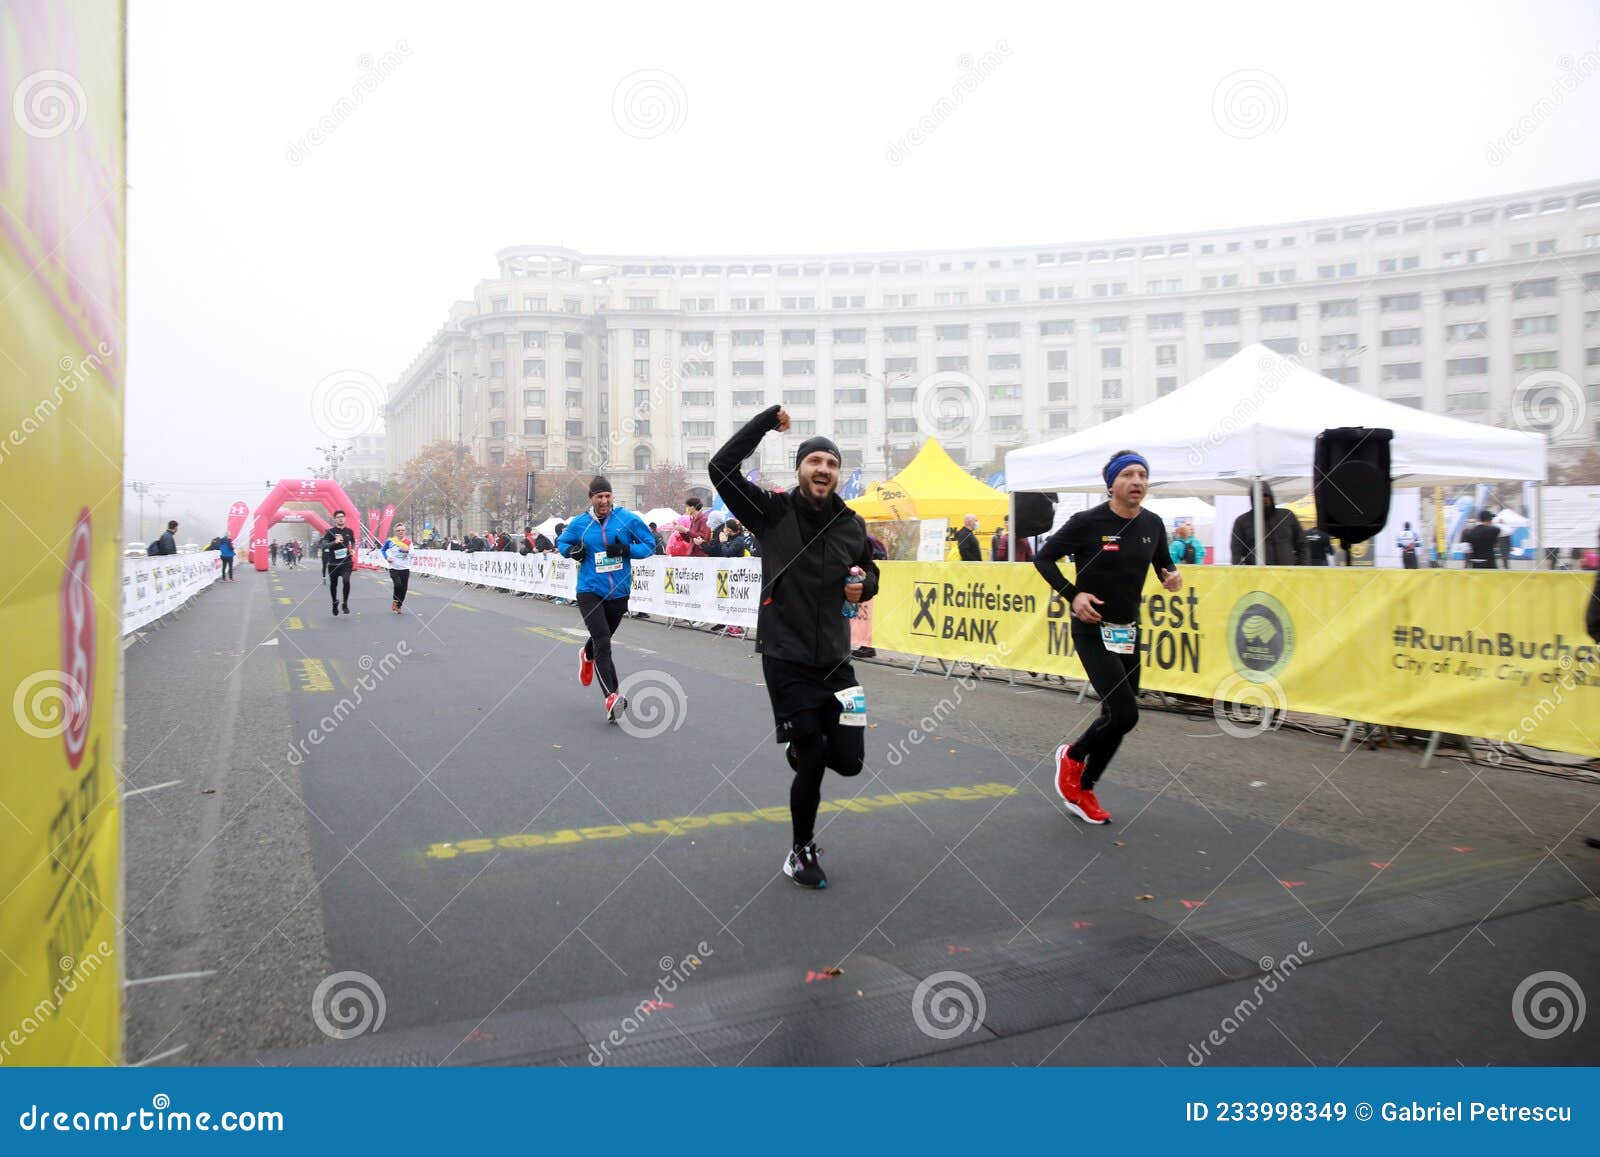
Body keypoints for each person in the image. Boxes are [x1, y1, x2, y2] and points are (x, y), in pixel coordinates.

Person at [710, 405, 879, 890]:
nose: (823, 469)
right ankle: (800, 851)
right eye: (814, 462)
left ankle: (804, 742)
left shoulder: (851, 524)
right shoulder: (771, 511)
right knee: (811, 755)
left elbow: (870, 573)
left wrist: (862, 585)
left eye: (831, 464)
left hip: (835, 661)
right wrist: (765, 422)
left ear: (838, 475)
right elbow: (720, 468)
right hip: (785, 656)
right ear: (800, 469)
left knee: (848, 761)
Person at [1033, 449, 1183, 826]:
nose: (1137, 482)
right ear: (1111, 484)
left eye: (1143, 475)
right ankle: (1073, 756)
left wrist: (1172, 575)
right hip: (1092, 628)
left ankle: (1084, 787)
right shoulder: (1087, 522)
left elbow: (1163, 561)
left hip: (1128, 630)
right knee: (1124, 712)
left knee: (1119, 717)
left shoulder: (1153, 522)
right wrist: (1074, 594)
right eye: (1128, 475)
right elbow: (1044, 558)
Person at [557, 477, 655, 722]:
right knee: (603, 642)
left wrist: (626, 550)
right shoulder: (581, 523)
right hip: (590, 590)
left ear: (612, 497)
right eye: (599, 496)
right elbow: (562, 542)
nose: (604, 501)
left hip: (619, 592)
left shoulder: (627, 519)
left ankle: (586, 655)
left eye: (607, 496)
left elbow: (650, 545)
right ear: (591, 498)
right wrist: (571, 552)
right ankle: (612, 697)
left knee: (603, 640)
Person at [1230, 484, 1306, 565]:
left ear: (1271, 496)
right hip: (1257, 574)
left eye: (1266, 495)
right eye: (1259, 496)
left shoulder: (1287, 516)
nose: (1264, 499)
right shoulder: (1242, 521)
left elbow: (1303, 545)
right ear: (1253, 499)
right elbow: (1236, 552)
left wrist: (1303, 567)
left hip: (1288, 572)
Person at [321, 510, 357, 616]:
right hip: (333, 563)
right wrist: (334, 542)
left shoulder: (349, 531)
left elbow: (353, 541)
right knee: (334, 584)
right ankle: (334, 602)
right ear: (335, 519)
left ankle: (345, 603)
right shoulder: (330, 532)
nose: (340, 518)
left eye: (342, 516)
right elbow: (324, 545)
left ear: (345, 518)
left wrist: (353, 549)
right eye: (338, 517)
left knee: (346, 581)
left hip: (346, 562)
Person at [379, 521, 414, 613]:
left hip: (405, 568)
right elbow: (383, 550)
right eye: (398, 531)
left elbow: (412, 554)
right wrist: (387, 558)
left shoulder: (408, 542)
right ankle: (395, 601)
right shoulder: (390, 541)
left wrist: (406, 552)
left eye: (402, 530)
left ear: (405, 531)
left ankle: (399, 605)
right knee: (398, 585)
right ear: (395, 532)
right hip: (394, 568)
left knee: (404, 588)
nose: (401, 532)